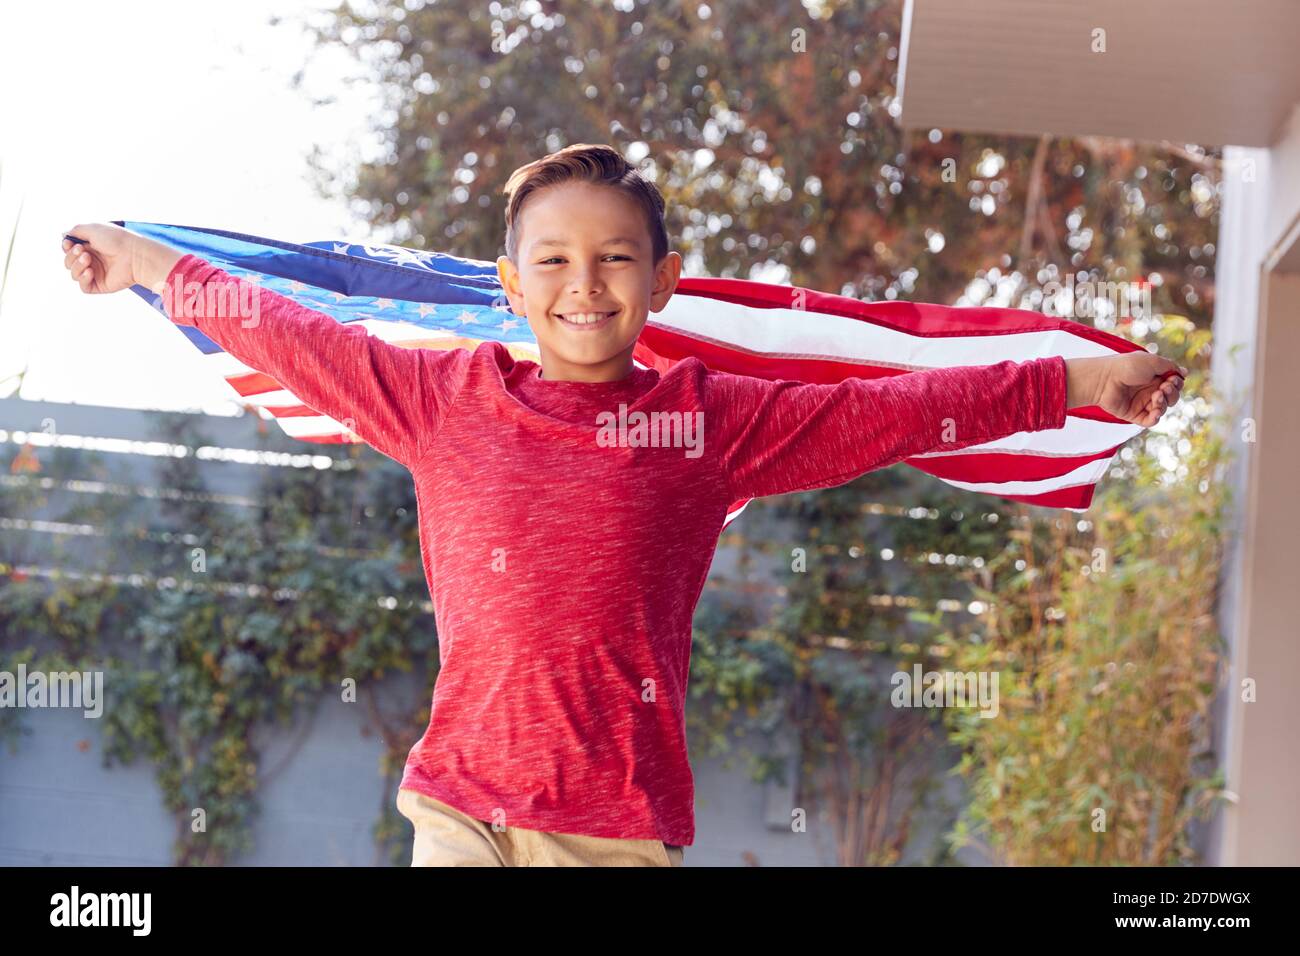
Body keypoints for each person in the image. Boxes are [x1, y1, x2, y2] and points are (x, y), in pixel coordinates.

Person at [59, 143, 1185, 867]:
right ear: (509, 284)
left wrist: (1074, 382)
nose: (582, 285)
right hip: (456, 806)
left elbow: (891, 411)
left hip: (609, 827)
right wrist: (146, 259)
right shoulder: (433, 398)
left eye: (613, 259)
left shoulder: (707, 422)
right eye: (550, 260)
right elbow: (290, 333)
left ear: (662, 281)